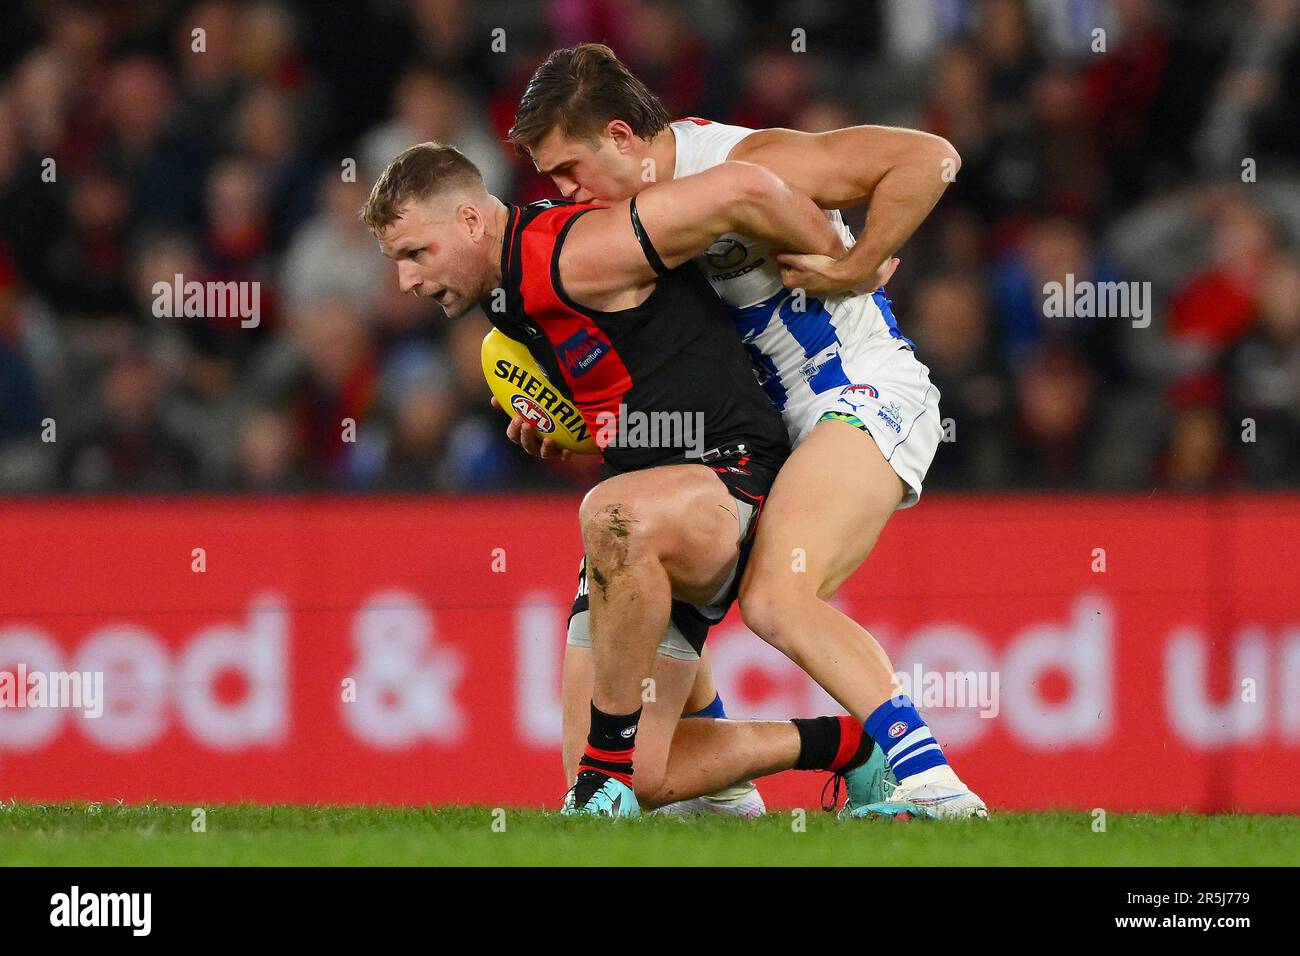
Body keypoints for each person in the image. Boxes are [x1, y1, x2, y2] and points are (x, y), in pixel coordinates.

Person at [506, 44, 987, 818]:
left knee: (776, 598)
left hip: (858, 396)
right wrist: (571, 424)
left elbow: (926, 158)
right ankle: (725, 795)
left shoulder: (740, 161)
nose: (562, 193)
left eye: (569, 170)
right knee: (636, 749)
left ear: (624, 139)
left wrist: (860, 262)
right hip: (757, 447)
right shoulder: (626, 231)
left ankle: (932, 783)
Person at [361, 142, 886, 816]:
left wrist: (851, 263)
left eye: (414, 255)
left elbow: (738, 189)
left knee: (610, 515)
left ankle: (601, 782)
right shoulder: (500, 291)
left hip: (729, 475)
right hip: (653, 505)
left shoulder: (579, 247)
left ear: (469, 221)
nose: (405, 281)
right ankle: (845, 746)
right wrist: (575, 423)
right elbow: (638, 360)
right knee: (652, 773)